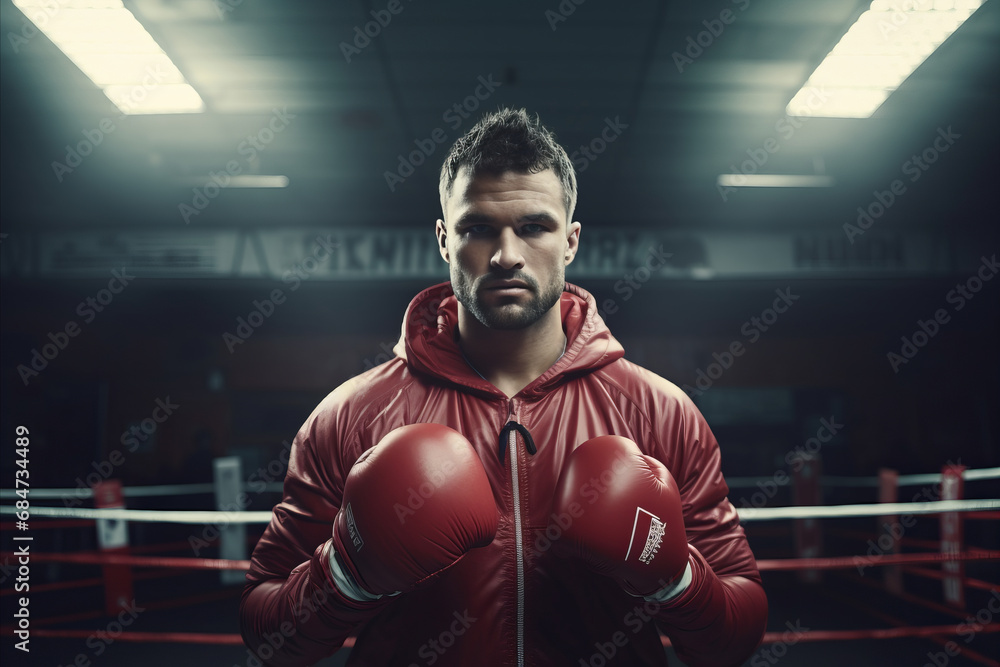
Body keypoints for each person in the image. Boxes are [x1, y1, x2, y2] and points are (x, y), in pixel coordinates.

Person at [240, 107, 768, 666]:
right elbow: (269, 632)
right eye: (478, 228)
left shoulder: (660, 413)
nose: (506, 255)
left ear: (571, 241)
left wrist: (674, 577)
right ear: (445, 240)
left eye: (534, 227)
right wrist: (348, 572)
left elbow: (735, 636)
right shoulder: (354, 414)